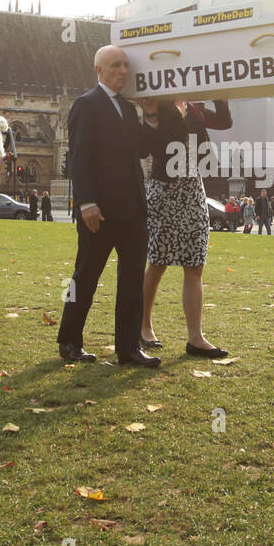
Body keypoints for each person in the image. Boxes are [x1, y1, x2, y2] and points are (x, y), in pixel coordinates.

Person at [57, 45, 159, 367]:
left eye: (126, 66)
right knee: (85, 276)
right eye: (116, 65)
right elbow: (79, 157)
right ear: (99, 70)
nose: (123, 71)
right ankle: (69, 340)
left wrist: (152, 114)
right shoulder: (87, 105)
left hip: (133, 211)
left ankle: (128, 348)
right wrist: (85, 201)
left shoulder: (129, 110)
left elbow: (142, 151)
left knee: (131, 280)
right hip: (98, 211)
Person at [139, 97, 232, 359]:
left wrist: (221, 95)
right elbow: (146, 148)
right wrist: (151, 115)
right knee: (158, 261)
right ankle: (143, 325)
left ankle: (196, 338)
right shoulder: (159, 107)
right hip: (165, 188)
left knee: (195, 263)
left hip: (193, 188)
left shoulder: (195, 108)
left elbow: (224, 122)